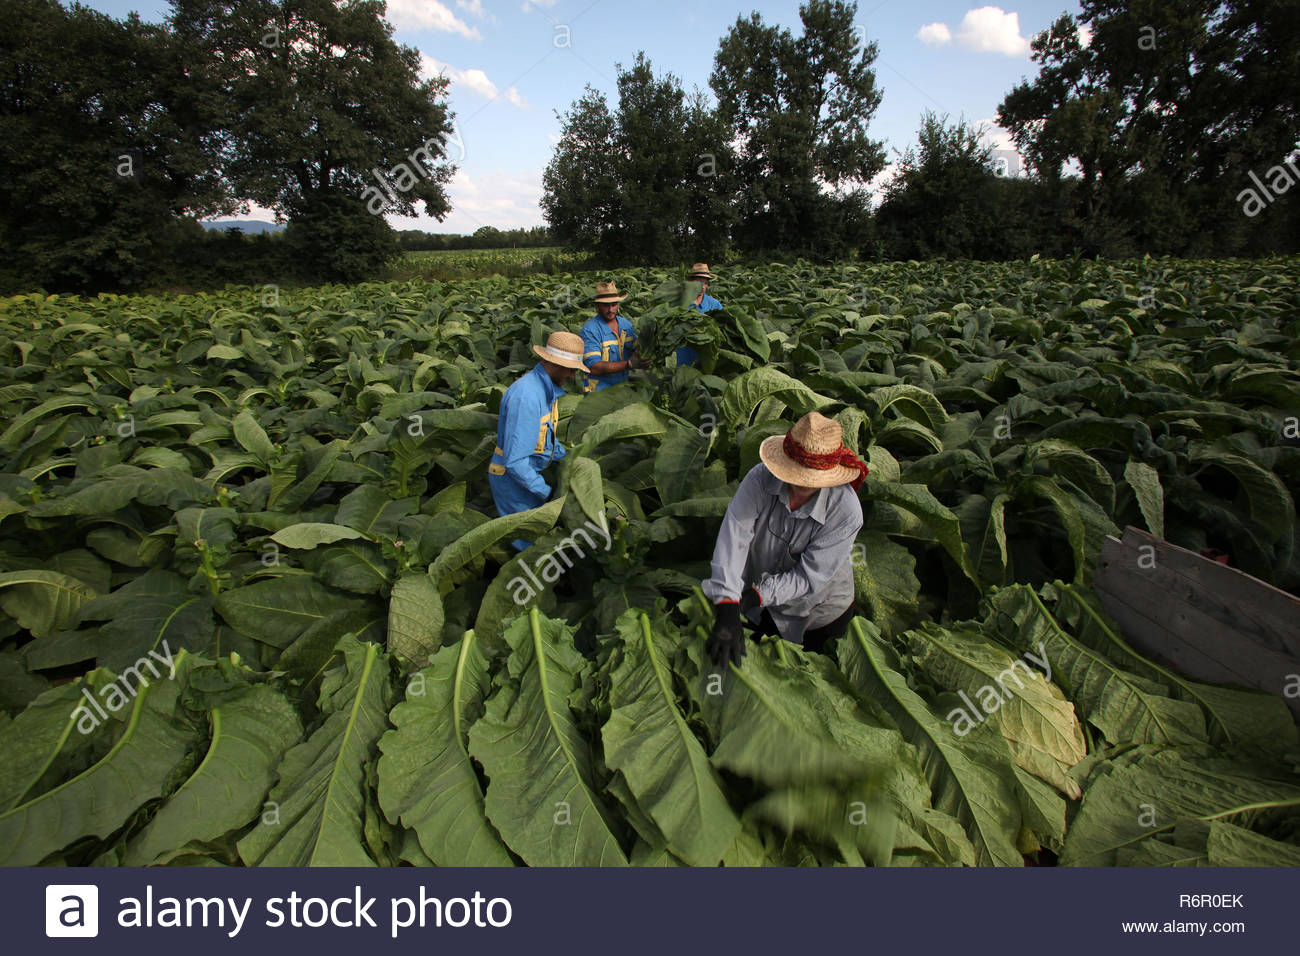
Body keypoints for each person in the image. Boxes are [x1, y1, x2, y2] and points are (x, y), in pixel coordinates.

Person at [702, 411, 868, 667]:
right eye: (795, 472)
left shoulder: (846, 510)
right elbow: (734, 537)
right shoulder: (760, 479)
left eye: (811, 477)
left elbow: (808, 576)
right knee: (756, 663)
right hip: (761, 598)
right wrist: (727, 603)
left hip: (820, 609)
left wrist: (756, 597)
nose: (801, 482)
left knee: (814, 678)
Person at [488, 330, 587, 549]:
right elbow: (515, 463)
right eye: (570, 370)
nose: (572, 376)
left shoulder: (546, 391)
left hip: (529, 474)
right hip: (513, 480)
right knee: (527, 543)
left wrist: (570, 457)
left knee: (537, 534)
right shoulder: (527, 397)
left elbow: (546, 439)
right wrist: (547, 492)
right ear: (555, 364)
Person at [581, 281, 646, 392]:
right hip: (598, 392)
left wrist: (644, 357)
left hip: (622, 387)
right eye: (606, 305)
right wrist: (629, 364)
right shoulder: (590, 330)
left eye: (614, 304)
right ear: (597, 306)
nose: (611, 310)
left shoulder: (626, 325)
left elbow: (638, 349)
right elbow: (594, 367)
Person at [676, 263, 723, 368]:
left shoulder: (714, 305)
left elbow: (721, 331)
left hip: (706, 360)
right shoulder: (680, 304)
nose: (702, 287)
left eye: (705, 283)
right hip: (684, 359)